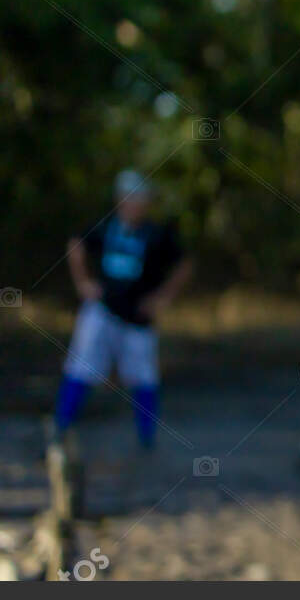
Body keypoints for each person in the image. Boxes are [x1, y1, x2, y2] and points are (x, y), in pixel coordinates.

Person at [54, 170, 191, 449]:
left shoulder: (156, 234)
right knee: (80, 367)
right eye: (129, 199)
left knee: (143, 377)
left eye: (140, 200)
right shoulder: (105, 227)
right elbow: (76, 244)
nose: (134, 206)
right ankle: (60, 429)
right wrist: (83, 283)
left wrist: (163, 297)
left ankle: (147, 441)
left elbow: (185, 264)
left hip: (138, 319)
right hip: (102, 312)